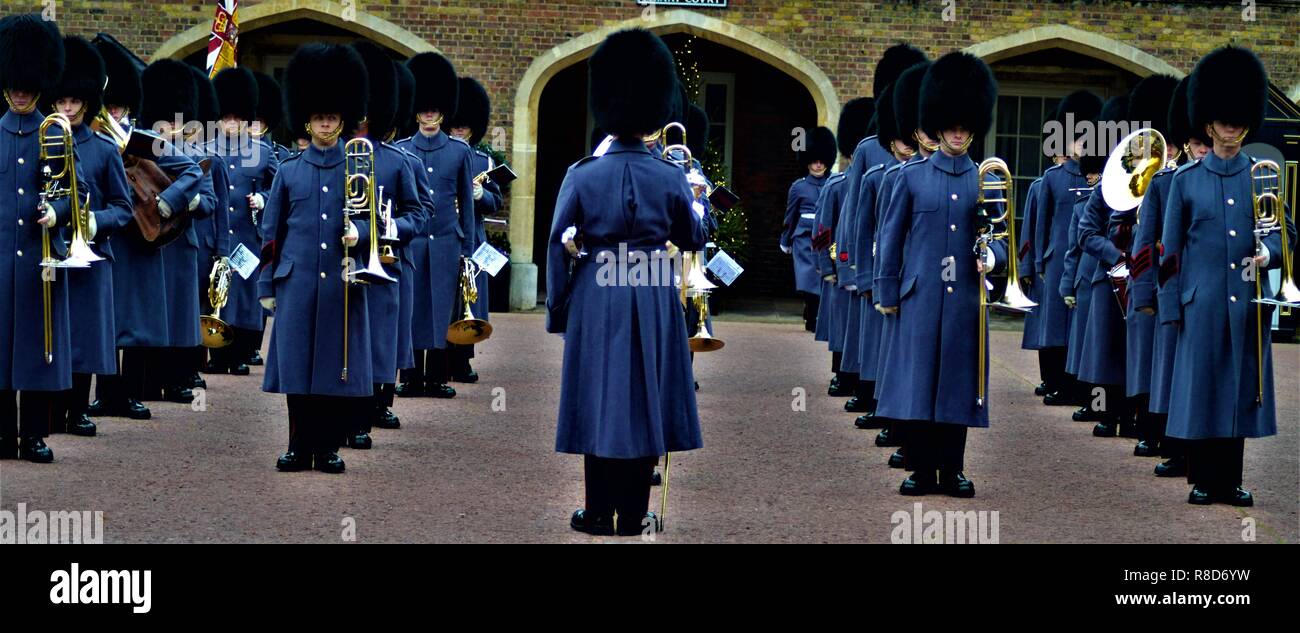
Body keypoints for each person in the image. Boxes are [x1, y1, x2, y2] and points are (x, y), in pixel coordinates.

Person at [547, 29, 706, 536]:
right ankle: (635, 514)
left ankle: (597, 512)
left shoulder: (582, 173)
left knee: (598, 397)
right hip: (654, 286)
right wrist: (697, 203)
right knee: (645, 399)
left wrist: (559, 308)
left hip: (597, 286)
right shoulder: (669, 174)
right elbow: (692, 236)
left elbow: (557, 242)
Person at [1160, 46, 1286, 506]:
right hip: (1202, 299)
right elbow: (1170, 254)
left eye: (1238, 119)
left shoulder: (1262, 177)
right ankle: (1203, 478)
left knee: (1238, 390)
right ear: (1209, 124)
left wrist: (1268, 253)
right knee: (1203, 389)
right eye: (1223, 119)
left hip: (1247, 301)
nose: (1231, 127)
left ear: (1246, 122)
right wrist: (1172, 307)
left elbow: (1285, 236)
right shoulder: (1186, 181)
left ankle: (1230, 480)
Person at [873, 52, 1000, 498]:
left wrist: (993, 258)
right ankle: (922, 470)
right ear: (938, 125)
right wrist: (886, 290)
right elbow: (891, 238)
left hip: (965, 296)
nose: (959, 132)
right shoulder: (911, 177)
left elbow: (997, 237)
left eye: (965, 125)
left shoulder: (984, 179)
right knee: (919, 381)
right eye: (952, 125)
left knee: (957, 385)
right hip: (920, 293)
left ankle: (954, 469)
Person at [260, 42, 372, 474]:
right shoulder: (289, 170)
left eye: (332, 117)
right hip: (297, 280)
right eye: (319, 117)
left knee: (332, 367)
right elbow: (272, 234)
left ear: (342, 120)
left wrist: (358, 232)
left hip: (342, 279)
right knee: (297, 369)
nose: (325, 123)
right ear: (306, 120)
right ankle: (297, 445)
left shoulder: (359, 167)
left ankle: (327, 447)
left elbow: (376, 225)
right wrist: (267, 286)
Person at [90, 57, 202, 421]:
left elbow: (190, 172)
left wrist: (168, 202)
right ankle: (106, 394)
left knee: (136, 324)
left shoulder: (146, 141)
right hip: (107, 237)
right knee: (108, 320)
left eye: (119, 106)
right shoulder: (90, 140)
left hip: (140, 240)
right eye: (109, 105)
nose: (114, 112)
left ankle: (131, 393)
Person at [43, 36, 133, 438]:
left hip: (89, 253)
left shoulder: (104, 149)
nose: (67, 108)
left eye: (74, 102)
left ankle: (77, 409)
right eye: (62, 101)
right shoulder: (41, 142)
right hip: (47, 252)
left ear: (86, 101)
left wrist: (94, 223)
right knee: (51, 335)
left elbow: (123, 207)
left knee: (81, 337)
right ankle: (48, 409)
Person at [345, 42, 427, 448]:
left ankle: (375, 403)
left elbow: (420, 212)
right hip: (342, 261)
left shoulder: (399, 161)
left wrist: (393, 224)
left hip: (385, 262)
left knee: (379, 338)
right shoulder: (333, 156)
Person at [0, 15, 73, 463]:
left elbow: (77, 194)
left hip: (39, 261)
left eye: (28, 86)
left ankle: (34, 435)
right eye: (15, 85)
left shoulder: (56, 133)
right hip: (1, 261)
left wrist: (57, 211)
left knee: (37, 352)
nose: (22, 92)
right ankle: (5, 434)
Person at [1133, 77, 1208, 478]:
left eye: (1204, 142)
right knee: (1171, 375)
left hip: (1212, 292)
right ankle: (1174, 447)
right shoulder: (1166, 182)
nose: (1201, 149)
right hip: (1174, 289)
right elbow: (1149, 244)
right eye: (1195, 142)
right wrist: (1146, 293)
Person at [396, 52, 476, 399]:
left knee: (442, 307)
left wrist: (469, 250)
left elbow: (467, 205)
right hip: (413, 242)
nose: (429, 115)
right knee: (412, 307)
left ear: (443, 110)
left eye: (434, 109)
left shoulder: (459, 152)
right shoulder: (402, 150)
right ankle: (412, 376)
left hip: (446, 239)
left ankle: (437, 376)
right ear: (416, 110)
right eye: (424, 109)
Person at [864, 59, 930, 462]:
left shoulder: (972, 175)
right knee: (902, 365)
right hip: (907, 282)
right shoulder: (893, 175)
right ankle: (901, 430)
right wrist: (874, 279)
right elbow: (879, 231)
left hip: (934, 286)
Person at [1113, 74, 1179, 454]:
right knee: (1144, 361)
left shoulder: (1177, 182)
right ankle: (1144, 425)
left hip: (1172, 281)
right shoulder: (1138, 179)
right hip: (1146, 279)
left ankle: (1166, 433)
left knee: (1168, 363)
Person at [1032, 91, 1103, 412]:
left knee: (1081, 326)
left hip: (1085, 262)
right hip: (1056, 258)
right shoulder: (1052, 178)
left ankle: (1078, 385)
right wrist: (1038, 263)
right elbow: (1041, 224)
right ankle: (1056, 381)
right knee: (1055, 325)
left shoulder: (1101, 180)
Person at [205, 66, 278, 376]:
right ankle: (216, 357)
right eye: (227, 117)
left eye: (237, 118)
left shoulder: (262, 151)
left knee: (243, 300)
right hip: (218, 235)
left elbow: (279, 190)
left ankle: (238, 355)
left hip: (248, 236)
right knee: (216, 295)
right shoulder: (207, 149)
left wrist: (262, 199)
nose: (231, 123)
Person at [1076, 95, 1136, 439]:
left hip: (1142, 274)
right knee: (1106, 350)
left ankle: (1131, 416)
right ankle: (1106, 412)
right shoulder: (1105, 187)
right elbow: (1087, 232)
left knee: (1135, 350)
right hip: (1110, 275)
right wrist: (1115, 255)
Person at [811, 98, 872, 392]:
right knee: (843, 326)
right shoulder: (836, 185)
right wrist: (828, 266)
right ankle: (842, 373)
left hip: (864, 265)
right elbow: (823, 231)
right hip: (840, 265)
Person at [446, 76, 501, 384]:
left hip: (473, 236)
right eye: (455, 126)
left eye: (464, 128)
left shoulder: (482, 159)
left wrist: (480, 196)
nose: (459, 132)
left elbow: (496, 200)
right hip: (445, 233)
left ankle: (463, 359)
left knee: (470, 297)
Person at [781, 127, 833, 330]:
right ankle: (812, 317)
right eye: (814, 160)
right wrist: (785, 240)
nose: (818, 164)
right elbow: (790, 215)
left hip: (825, 236)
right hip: (803, 237)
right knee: (809, 277)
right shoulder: (798, 186)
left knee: (822, 277)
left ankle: (814, 313)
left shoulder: (833, 183)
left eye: (821, 160)